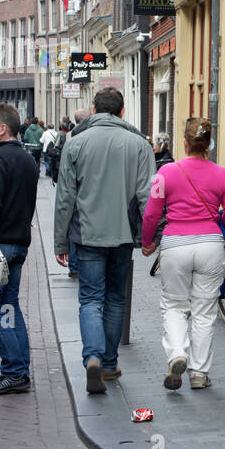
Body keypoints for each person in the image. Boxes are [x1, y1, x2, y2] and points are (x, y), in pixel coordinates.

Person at [54, 87, 154, 393]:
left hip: (87, 236)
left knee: (89, 299)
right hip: (123, 237)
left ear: (94, 110)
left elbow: (64, 199)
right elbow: (147, 197)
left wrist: (60, 243)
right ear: (122, 112)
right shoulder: (139, 144)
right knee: (115, 298)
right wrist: (149, 237)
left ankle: (93, 357)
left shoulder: (76, 144)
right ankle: (109, 364)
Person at [141, 118, 225, 390]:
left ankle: (177, 354)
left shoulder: (166, 173)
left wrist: (148, 242)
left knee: (174, 305)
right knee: (205, 311)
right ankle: (199, 373)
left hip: (175, 245)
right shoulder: (222, 175)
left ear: (184, 143)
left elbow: (151, 213)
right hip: (210, 245)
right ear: (209, 144)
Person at [0, 104, 39, 395]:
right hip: (18, 245)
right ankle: (20, 369)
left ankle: (13, 370)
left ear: (3, 128)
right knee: (8, 306)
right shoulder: (26, 159)